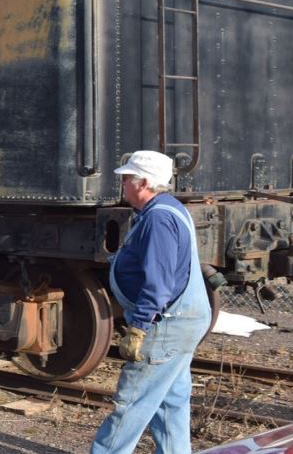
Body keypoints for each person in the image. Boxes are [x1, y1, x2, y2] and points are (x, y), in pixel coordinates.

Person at [91, 150, 212, 454]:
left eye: (127, 179)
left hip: (165, 325)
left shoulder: (158, 219)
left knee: (131, 404)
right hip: (184, 319)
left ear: (143, 182)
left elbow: (158, 282)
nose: (122, 185)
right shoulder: (170, 208)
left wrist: (139, 327)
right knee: (171, 401)